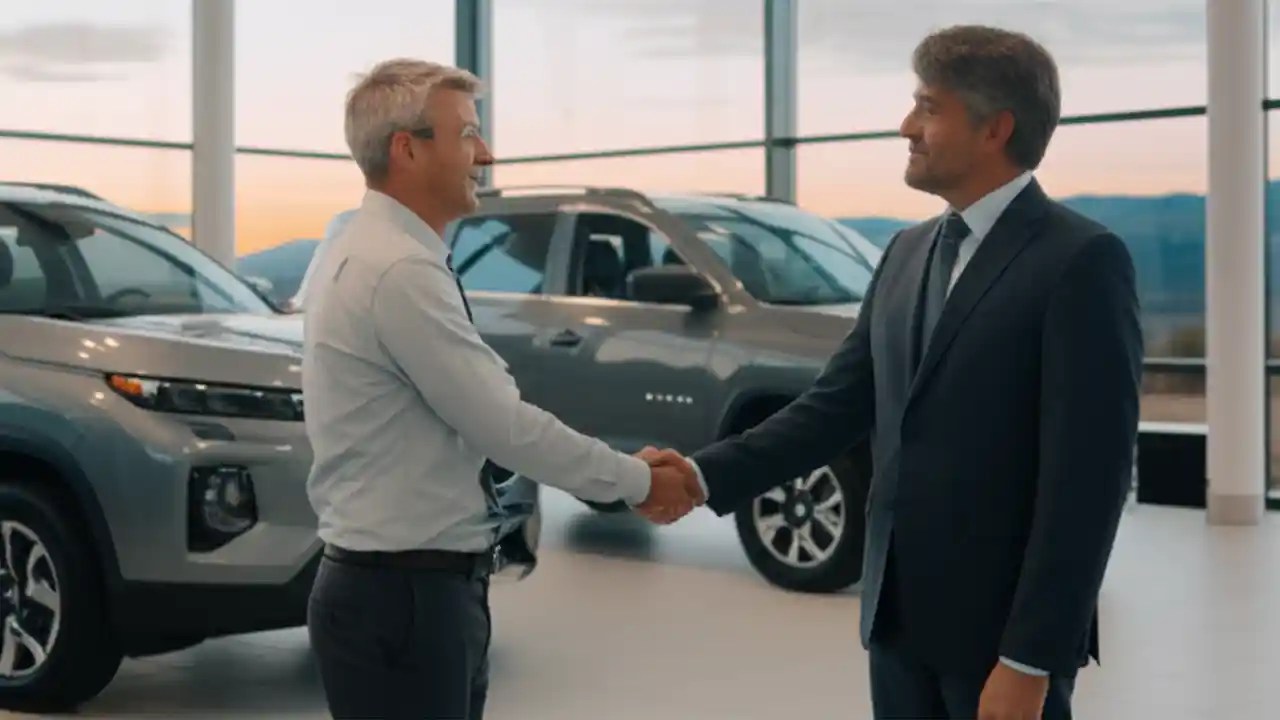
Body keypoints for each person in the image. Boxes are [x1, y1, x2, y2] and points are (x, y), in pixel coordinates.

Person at [641, 25, 1142, 720]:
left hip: (1000, 642)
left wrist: (1034, 656)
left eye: (928, 108)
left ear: (996, 128)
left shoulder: (1081, 261)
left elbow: (1088, 483)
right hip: (897, 623)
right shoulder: (906, 252)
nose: (907, 126)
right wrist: (700, 477)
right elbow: (835, 407)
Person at [301, 58, 702, 720]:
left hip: (389, 587)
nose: (483, 154)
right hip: (408, 599)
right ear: (407, 148)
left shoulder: (358, 245)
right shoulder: (397, 268)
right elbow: (503, 426)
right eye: (466, 135)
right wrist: (634, 480)